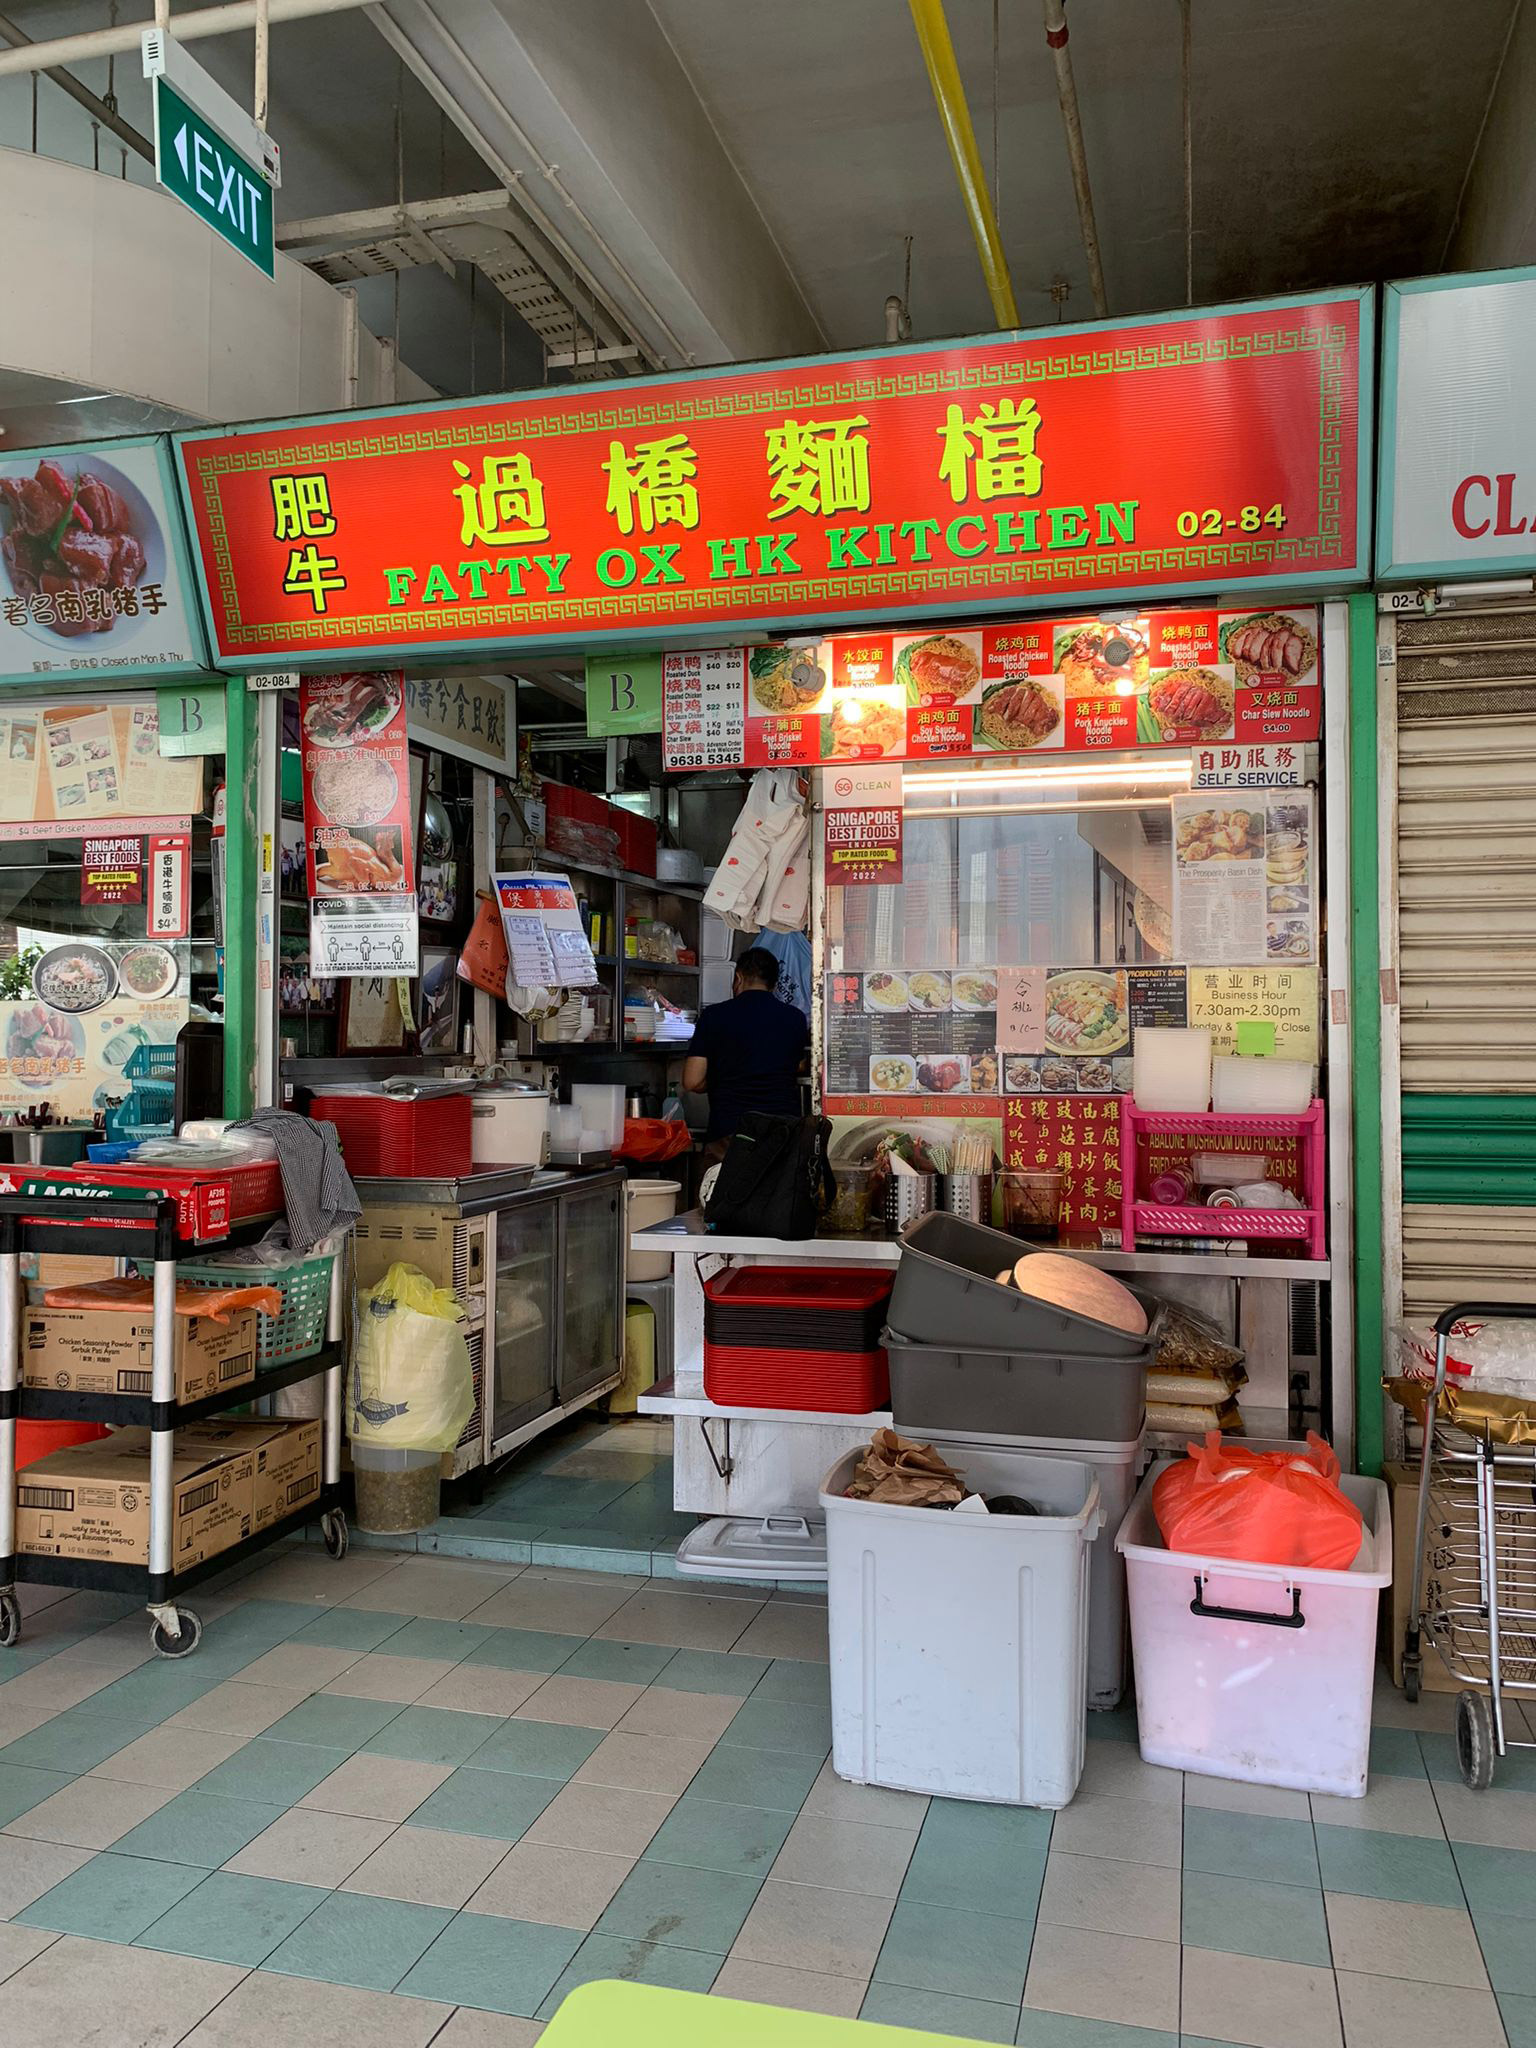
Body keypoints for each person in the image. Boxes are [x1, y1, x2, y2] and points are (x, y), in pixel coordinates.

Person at [682, 943, 809, 1158]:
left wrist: (722, 1079)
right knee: (776, 1191)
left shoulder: (714, 1016)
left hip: (730, 1133)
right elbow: (797, 1065)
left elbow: (692, 1080)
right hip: (783, 1132)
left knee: (726, 1191)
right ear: (774, 984)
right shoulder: (795, 1018)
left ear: (738, 978)